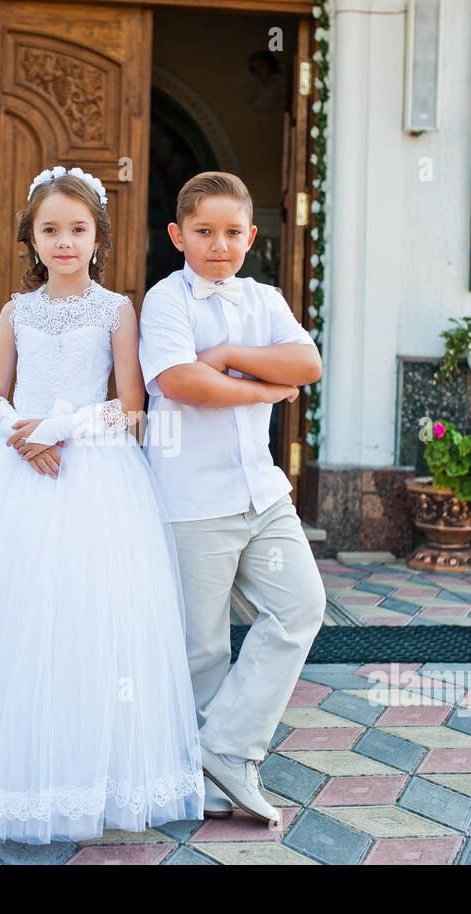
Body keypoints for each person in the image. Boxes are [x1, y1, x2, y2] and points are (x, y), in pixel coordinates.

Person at [0, 166, 204, 844]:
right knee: (4, 614)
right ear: (32, 236)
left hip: (93, 472)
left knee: (83, 618)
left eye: (77, 230)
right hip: (11, 468)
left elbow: (132, 406)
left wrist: (65, 430)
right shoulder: (16, 311)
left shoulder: (117, 309)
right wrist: (16, 432)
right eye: (50, 229)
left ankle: (83, 772)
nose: (63, 241)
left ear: (97, 238)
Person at [138, 171, 327, 828]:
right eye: (203, 232)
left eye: (230, 232)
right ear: (177, 235)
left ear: (250, 235)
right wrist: (262, 388)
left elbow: (307, 365)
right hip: (195, 498)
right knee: (202, 645)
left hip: (262, 493)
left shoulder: (263, 299)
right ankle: (205, 778)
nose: (218, 245)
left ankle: (225, 748)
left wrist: (229, 355)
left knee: (299, 607)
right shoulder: (165, 301)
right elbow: (182, 382)